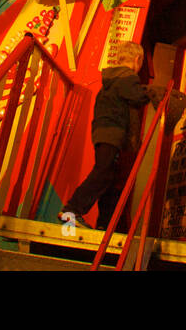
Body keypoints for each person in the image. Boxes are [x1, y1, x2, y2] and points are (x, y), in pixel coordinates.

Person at [61, 45, 166, 232]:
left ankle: (105, 223)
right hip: (113, 132)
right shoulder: (127, 77)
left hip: (102, 131)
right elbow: (137, 97)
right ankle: (72, 209)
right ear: (137, 60)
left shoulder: (111, 79)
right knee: (103, 172)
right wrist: (155, 92)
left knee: (109, 177)